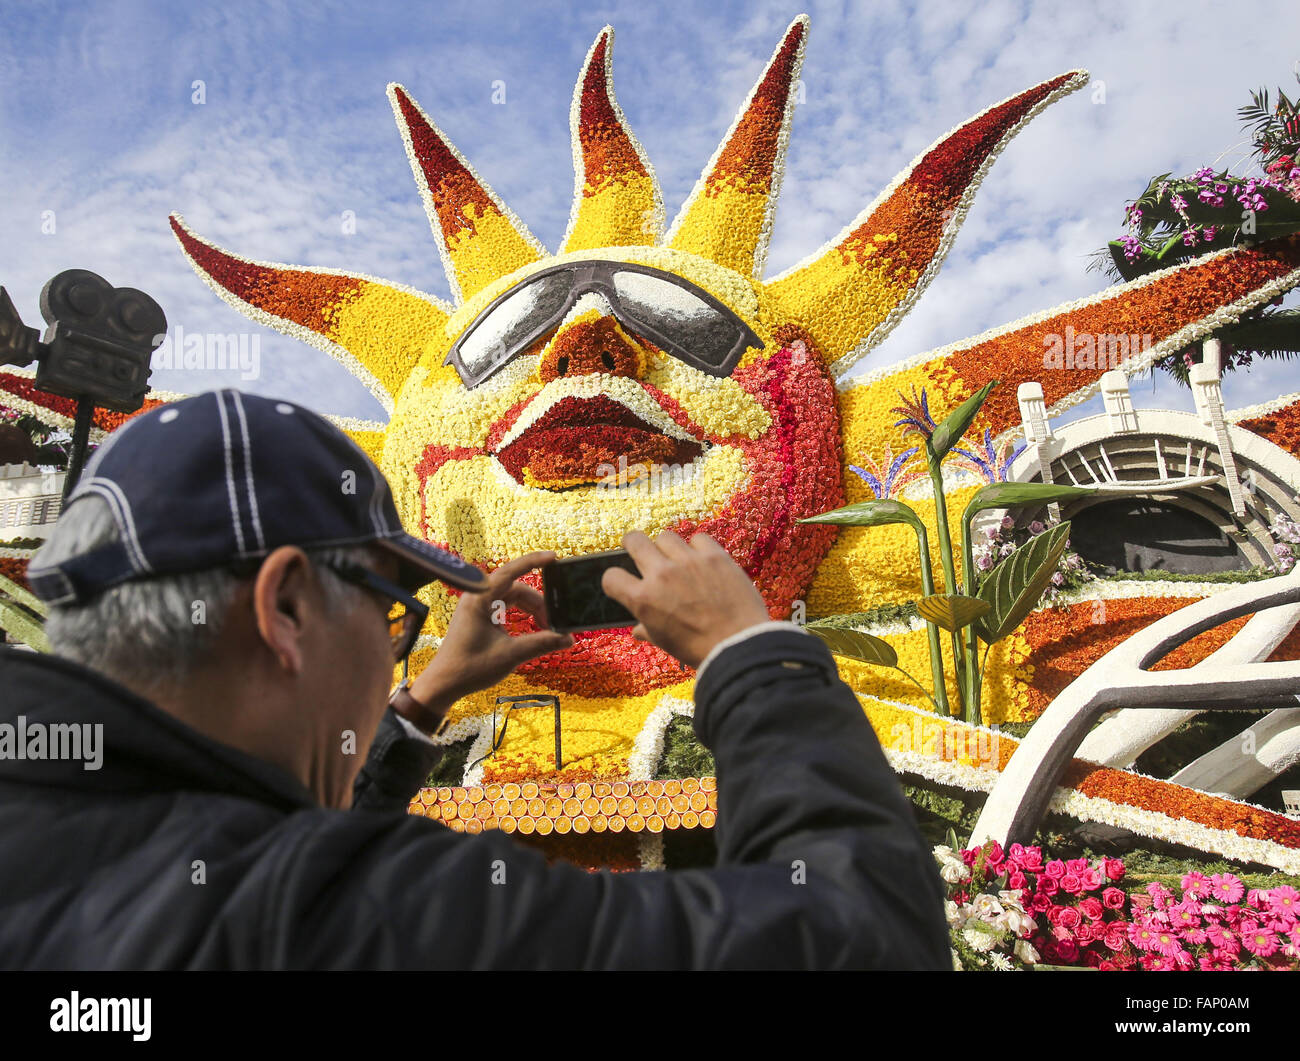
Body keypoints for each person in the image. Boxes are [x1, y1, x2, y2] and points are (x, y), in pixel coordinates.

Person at [0, 389, 948, 969]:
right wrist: (752, 653)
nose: (393, 653)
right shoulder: (358, 912)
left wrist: (419, 705)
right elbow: (860, 937)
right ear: (284, 608)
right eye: (389, 607)